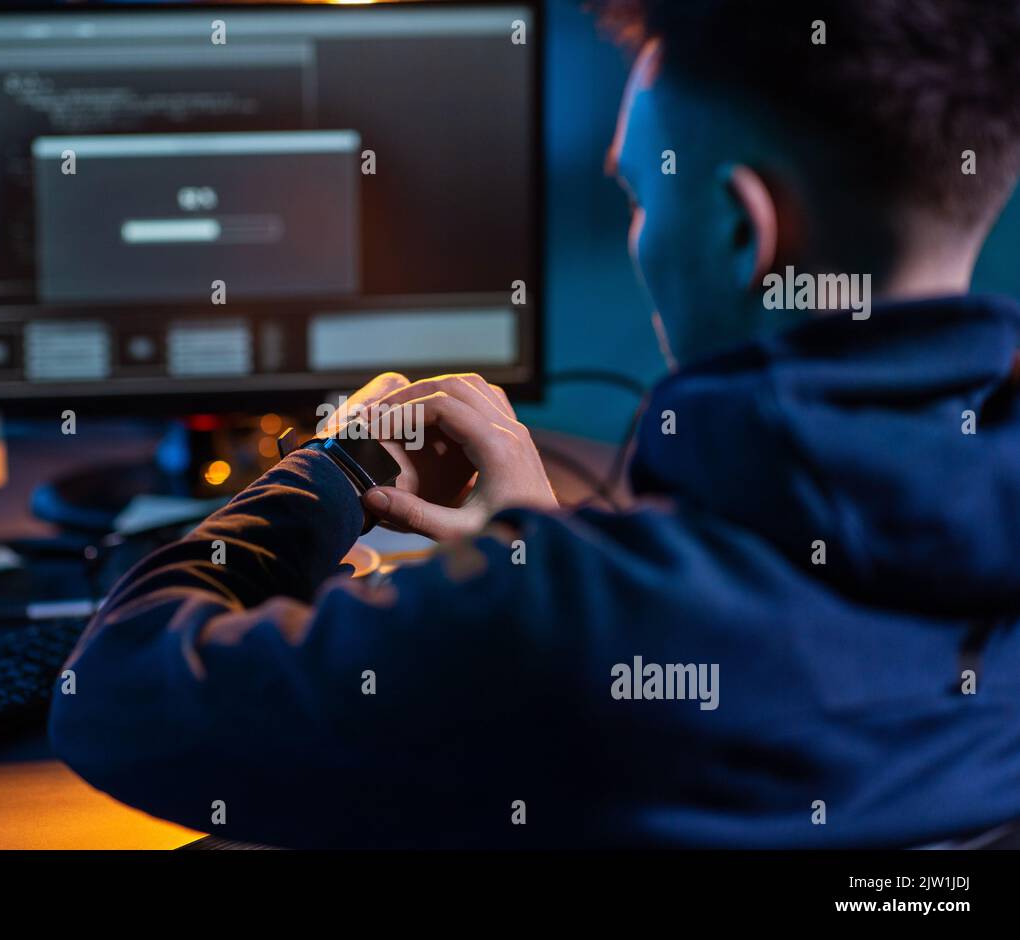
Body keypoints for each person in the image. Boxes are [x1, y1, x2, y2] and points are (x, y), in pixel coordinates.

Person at [50, 0, 1020, 847]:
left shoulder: (581, 630)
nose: (637, 229)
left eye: (640, 194)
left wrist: (339, 463)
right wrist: (550, 543)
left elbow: (125, 695)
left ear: (740, 233)